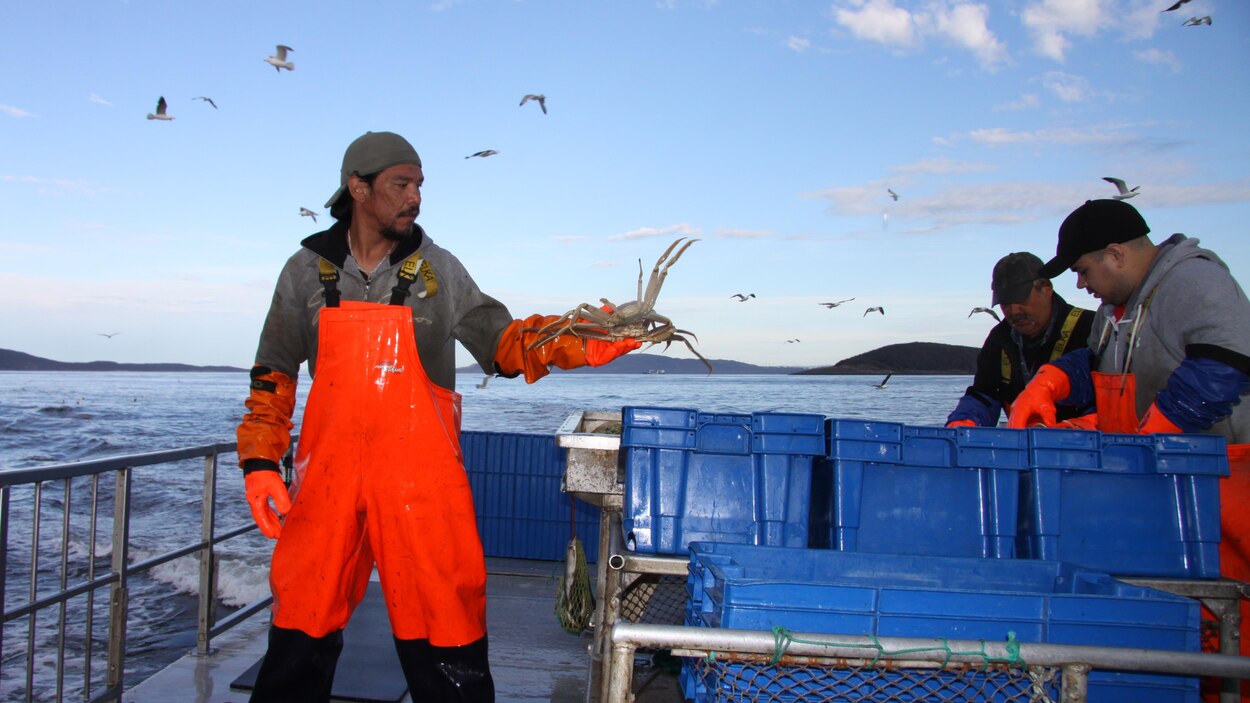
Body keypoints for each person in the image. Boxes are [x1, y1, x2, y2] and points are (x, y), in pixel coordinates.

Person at [235, 131, 640, 703]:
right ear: (359, 187)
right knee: (300, 628)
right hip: (327, 485)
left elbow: (507, 346)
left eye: (419, 185)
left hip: (421, 488)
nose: (415, 196)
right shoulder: (306, 273)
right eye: (401, 184)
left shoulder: (439, 272)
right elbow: (272, 374)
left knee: (448, 633)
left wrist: (578, 339)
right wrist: (259, 462)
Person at [1007, 198, 1250, 696]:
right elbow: (1096, 363)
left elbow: (1227, 358)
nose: (1080, 284)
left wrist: (1160, 430)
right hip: (1174, 487)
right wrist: (1052, 380)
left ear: (1115, 254)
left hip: (1230, 478)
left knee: (1236, 617)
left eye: (1082, 270)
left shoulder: (1193, 280)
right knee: (1193, 624)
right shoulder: (1116, 311)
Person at [945, 252, 1094, 428]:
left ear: (1046, 288)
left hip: (1086, 447)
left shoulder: (1091, 327)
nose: (1014, 311)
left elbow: (1109, 400)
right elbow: (984, 395)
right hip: (1025, 448)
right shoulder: (999, 338)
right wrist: (964, 423)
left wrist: (1074, 430)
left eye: (1021, 299)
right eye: (1005, 304)